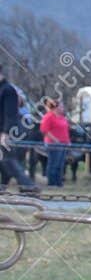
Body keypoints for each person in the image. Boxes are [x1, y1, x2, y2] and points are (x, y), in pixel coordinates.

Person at [0, 64, 41, 194]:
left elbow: (10, 113)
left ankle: (28, 186)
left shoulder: (8, 89)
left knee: (7, 158)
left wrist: (5, 133)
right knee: (4, 159)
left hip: (9, 130)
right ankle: (3, 186)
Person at [39, 96, 70, 187]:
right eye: (61, 106)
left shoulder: (62, 117)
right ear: (56, 107)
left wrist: (67, 141)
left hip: (63, 143)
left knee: (60, 164)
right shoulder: (49, 116)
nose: (63, 108)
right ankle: (51, 182)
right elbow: (44, 130)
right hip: (53, 144)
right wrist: (54, 139)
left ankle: (58, 182)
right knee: (53, 163)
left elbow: (65, 130)